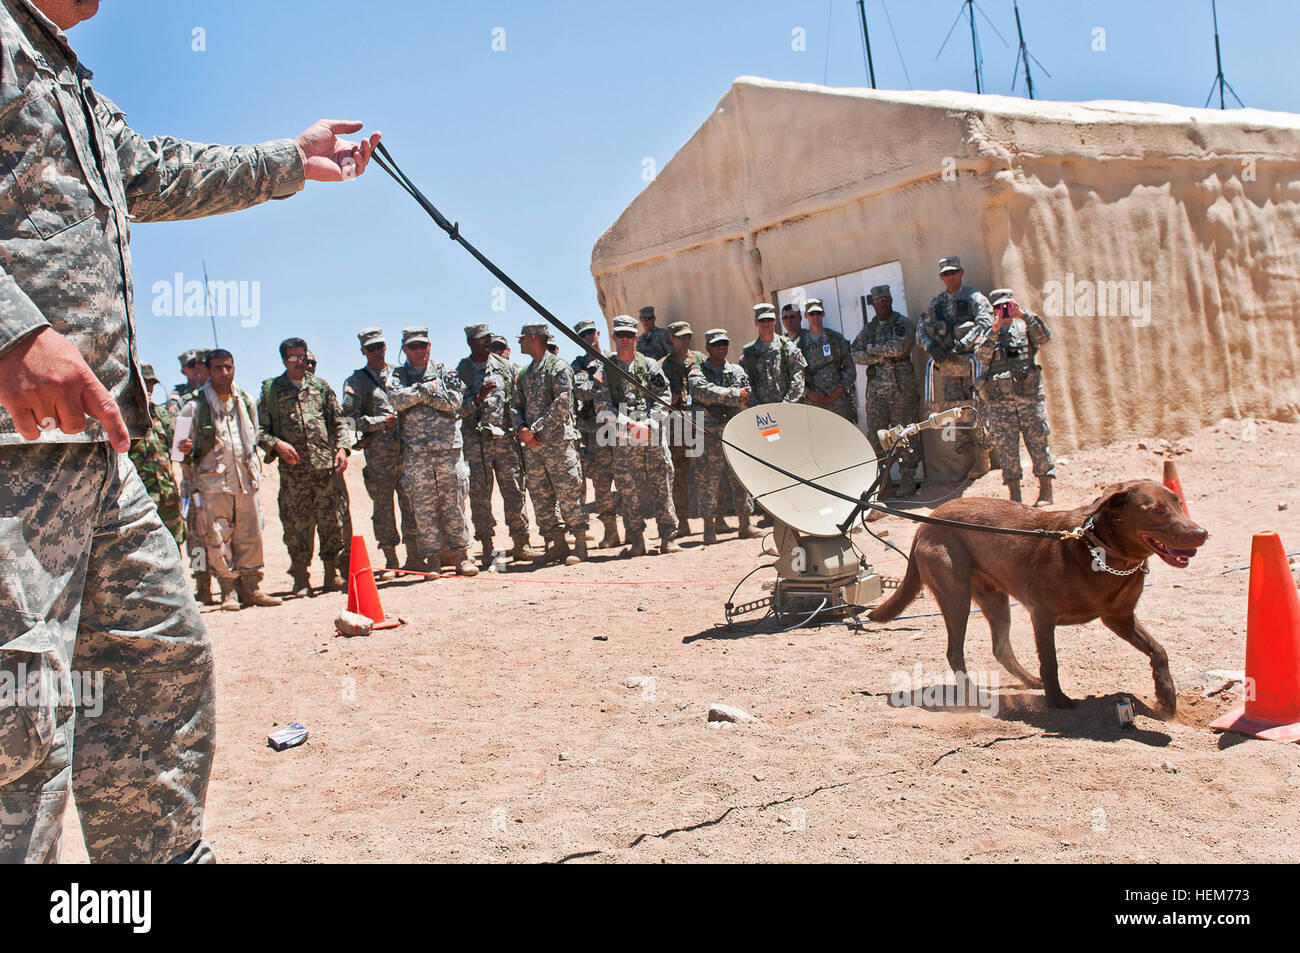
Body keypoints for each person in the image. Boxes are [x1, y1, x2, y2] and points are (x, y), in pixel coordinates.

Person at [0, 0, 380, 863]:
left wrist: (289, 159)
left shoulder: (62, 72)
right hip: (11, 449)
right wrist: (12, 329)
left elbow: (158, 172)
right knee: (15, 710)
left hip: (97, 447)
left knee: (157, 657)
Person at [175, 350, 280, 609]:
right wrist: (185, 447)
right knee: (218, 535)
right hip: (212, 483)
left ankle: (252, 587)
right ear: (208, 371)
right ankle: (228, 590)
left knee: (251, 533)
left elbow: (252, 438)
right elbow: (177, 450)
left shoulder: (245, 401)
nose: (225, 373)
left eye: (228, 367)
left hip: (245, 479)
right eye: (218, 368)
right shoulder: (192, 406)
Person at [258, 337, 354, 595]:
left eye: (303, 357)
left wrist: (343, 449)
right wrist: (276, 444)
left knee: (331, 521)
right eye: (294, 358)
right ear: (283, 360)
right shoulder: (271, 391)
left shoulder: (321, 387)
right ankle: (301, 578)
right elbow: (260, 432)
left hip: (325, 470)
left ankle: (331, 573)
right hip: (294, 473)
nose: (300, 362)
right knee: (297, 524)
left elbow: (339, 424)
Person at [389, 326, 478, 576]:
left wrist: (418, 396)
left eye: (422, 345)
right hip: (417, 455)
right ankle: (433, 561)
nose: (419, 351)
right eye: (413, 346)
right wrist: (427, 389)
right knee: (424, 509)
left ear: (429, 346)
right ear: (404, 349)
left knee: (454, 505)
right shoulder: (398, 375)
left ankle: (462, 556)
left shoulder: (445, 371)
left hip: (448, 451)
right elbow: (396, 400)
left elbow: (455, 402)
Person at [594, 315, 680, 556]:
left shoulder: (650, 365)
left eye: (629, 335)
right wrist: (629, 424)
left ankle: (668, 538)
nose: (624, 340)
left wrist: (650, 424)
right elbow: (601, 405)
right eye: (619, 335)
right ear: (613, 337)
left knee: (662, 484)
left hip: (652, 435)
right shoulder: (605, 369)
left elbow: (664, 395)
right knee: (627, 488)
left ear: (635, 337)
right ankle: (637, 540)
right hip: (623, 438)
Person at [342, 327, 416, 575]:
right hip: (378, 456)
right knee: (383, 509)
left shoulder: (401, 375)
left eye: (380, 346)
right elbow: (348, 421)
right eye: (370, 348)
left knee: (411, 505)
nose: (376, 352)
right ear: (363, 351)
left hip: (406, 453)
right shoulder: (357, 381)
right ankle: (391, 558)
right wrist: (379, 423)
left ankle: (414, 555)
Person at [457, 323, 533, 566]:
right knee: (480, 496)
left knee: (514, 491)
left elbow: (518, 399)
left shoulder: (505, 366)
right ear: (471, 343)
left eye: (489, 338)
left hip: (506, 440)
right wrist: (478, 398)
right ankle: (488, 547)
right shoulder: (463, 371)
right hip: (476, 442)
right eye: (482, 339)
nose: (487, 343)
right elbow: (456, 409)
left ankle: (521, 543)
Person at [512, 324, 589, 565]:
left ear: (533, 338)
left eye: (522, 338)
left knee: (568, 492)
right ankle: (558, 544)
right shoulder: (525, 372)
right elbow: (515, 405)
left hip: (557, 443)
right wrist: (522, 430)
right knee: (541, 495)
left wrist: (536, 430)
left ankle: (580, 544)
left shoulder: (557, 366)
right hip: (533, 447)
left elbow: (562, 402)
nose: (519, 343)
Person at [916, 256, 994, 478]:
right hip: (949, 368)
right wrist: (931, 347)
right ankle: (966, 460)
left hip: (972, 366)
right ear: (941, 277)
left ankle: (983, 457)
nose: (950, 277)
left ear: (961, 272)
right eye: (946, 273)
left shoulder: (973, 297)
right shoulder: (937, 303)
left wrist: (963, 344)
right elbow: (922, 328)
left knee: (977, 408)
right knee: (956, 411)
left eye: (954, 272)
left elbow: (985, 323)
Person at [976, 289, 1056, 505]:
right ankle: (1015, 496)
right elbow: (981, 357)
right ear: (993, 310)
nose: (1004, 310)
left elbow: (1045, 337)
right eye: (999, 307)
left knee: (1038, 442)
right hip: (1000, 403)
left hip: (1029, 398)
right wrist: (994, 331)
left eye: (1007, 305)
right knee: (1007, 449)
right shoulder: (987, 332)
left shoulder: (1025, 326)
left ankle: (1046, 491)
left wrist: (1024, 315)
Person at [852, 284, 924, 497]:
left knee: (905, 433)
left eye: (885, 300)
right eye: (878, 301)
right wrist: (882, 354)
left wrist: (872, 351)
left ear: (891, 301)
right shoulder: (869, 328)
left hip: (902, 389)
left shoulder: (902, 323)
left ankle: (908, 479)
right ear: (873, 304)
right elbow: (855, 353)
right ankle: (884, 482)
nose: (882, 304)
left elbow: (901, 347)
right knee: (877, 435)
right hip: (876, 393)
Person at [687, 329, 757, 544]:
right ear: (707, 347)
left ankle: (745, 524)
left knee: (740, 478)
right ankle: (710, 528)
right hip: (708, 433)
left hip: (733, 430)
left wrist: (723, 397)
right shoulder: (697, 371)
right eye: (716, 344)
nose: (721, 348)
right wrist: (732, 395)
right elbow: (701, 392)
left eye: (724, 344)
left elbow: (746, 393)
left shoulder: (736, 370)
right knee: (707, 480)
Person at [570, 320, 620, 547]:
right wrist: (601, 379)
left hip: (619, 428)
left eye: (591, 333)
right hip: (595, 430)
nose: (588, 338)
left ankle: (632, 529)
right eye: (583, 335)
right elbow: (581, 391)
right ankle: (611, 531)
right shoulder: (579, 364)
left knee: (627, 479)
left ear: (598, 333)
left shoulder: (614, 358)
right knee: (602, 483)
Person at [127, 363, 185, 548]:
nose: (149, 388)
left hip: (168, 498)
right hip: (139, 501)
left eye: (152, 384)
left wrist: (185, 447)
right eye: (145, 382)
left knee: (173, 550)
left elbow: (179, 452)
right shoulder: (123, 418)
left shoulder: (162, 415)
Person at [661, 321, 705, 534]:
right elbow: (655, 394)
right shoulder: (663, 365)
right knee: (679, 475)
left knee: (706, 471)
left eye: (687, 336)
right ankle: (684, 521)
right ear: (672, 339)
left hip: (699, 421)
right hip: (677, 426)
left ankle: (714, 519)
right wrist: (669, 400)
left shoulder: (699, 359)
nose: (684, 340)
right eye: (680, 337)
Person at [798, 298, 857, 422]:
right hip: (813, 404)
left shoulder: (836, 339)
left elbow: (850, 369)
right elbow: (795, 375)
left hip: (838, 402)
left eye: (818, 313)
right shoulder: (799, 344)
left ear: (823, 314)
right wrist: (809, 393)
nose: (815, 317)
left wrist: (838, 390)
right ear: (805, 316)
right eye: (811, 314)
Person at [740, 304, 807, 405]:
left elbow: (798, 377)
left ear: (774, 321)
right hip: (761, 414)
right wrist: (756, 406)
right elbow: (744, 383)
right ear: (756, 323)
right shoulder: (749, 352)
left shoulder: (787, 347)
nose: (766, 324)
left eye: (769, 320)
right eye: (762, 321)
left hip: (788, 407)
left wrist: (786, 403)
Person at [166, 348, 209, 416]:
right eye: (191, 364)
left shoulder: (212, 386)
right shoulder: (177, 394)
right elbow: (173, 413)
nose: (197, 367)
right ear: (183, 371)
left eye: (199, 363)